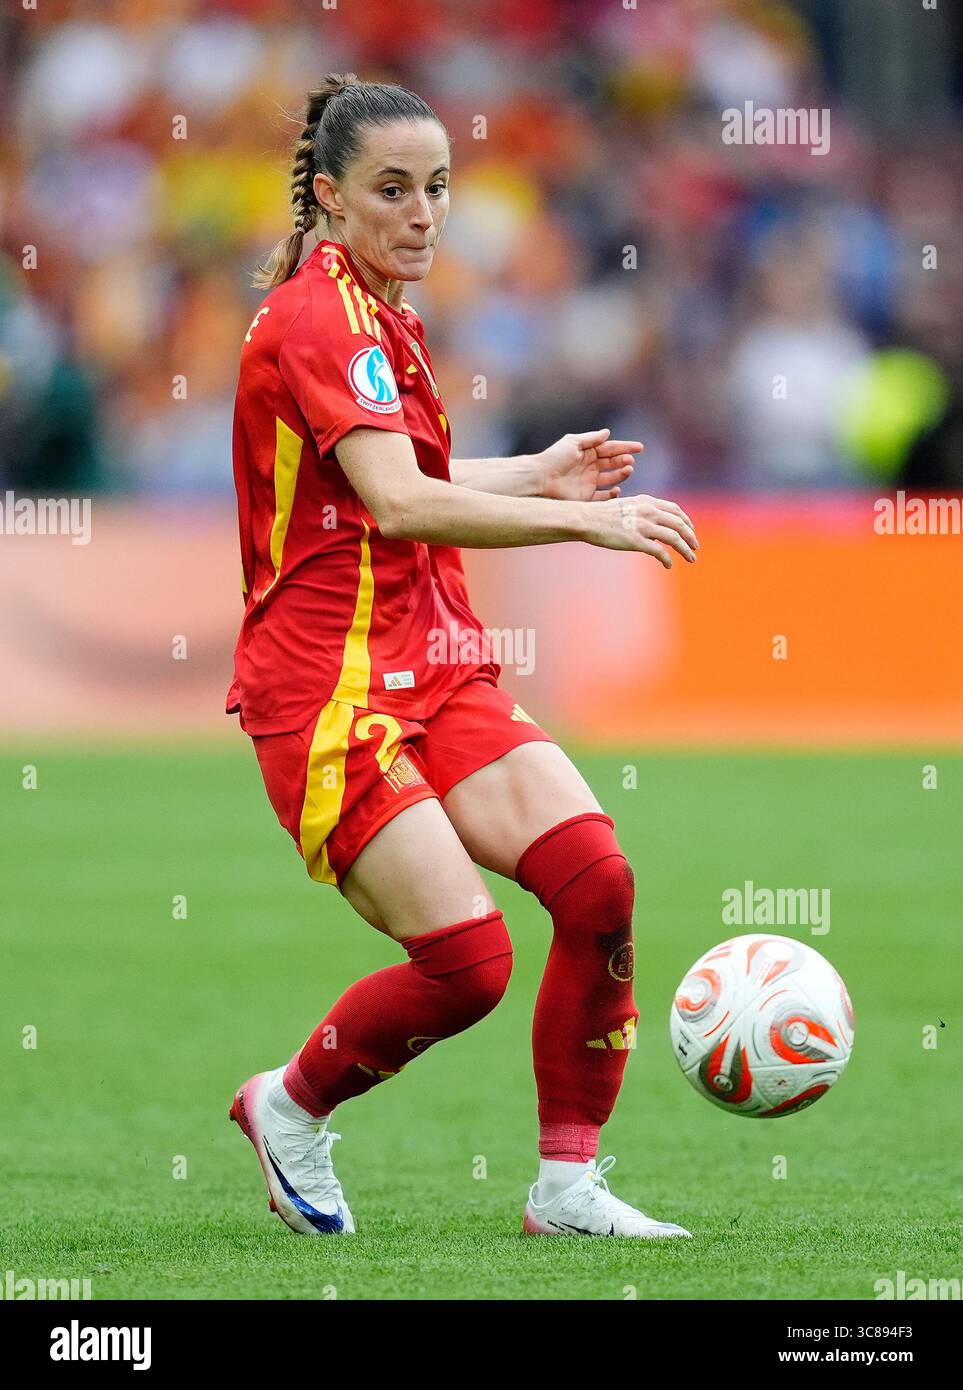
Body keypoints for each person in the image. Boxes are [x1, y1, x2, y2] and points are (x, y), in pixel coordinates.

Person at [226, 74, 699, 1239]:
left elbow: (403, 476)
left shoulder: (382, 310)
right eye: (393, 190)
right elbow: (394, 502)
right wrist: (585, 523)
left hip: (434, 664)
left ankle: (567, 1187)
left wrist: (534, 471)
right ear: (330, 198)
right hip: (330, 695)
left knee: (598, 885)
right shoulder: (317, 317)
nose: (424, 213)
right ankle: (289, 1106)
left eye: (438, 187)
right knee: (469, 964)